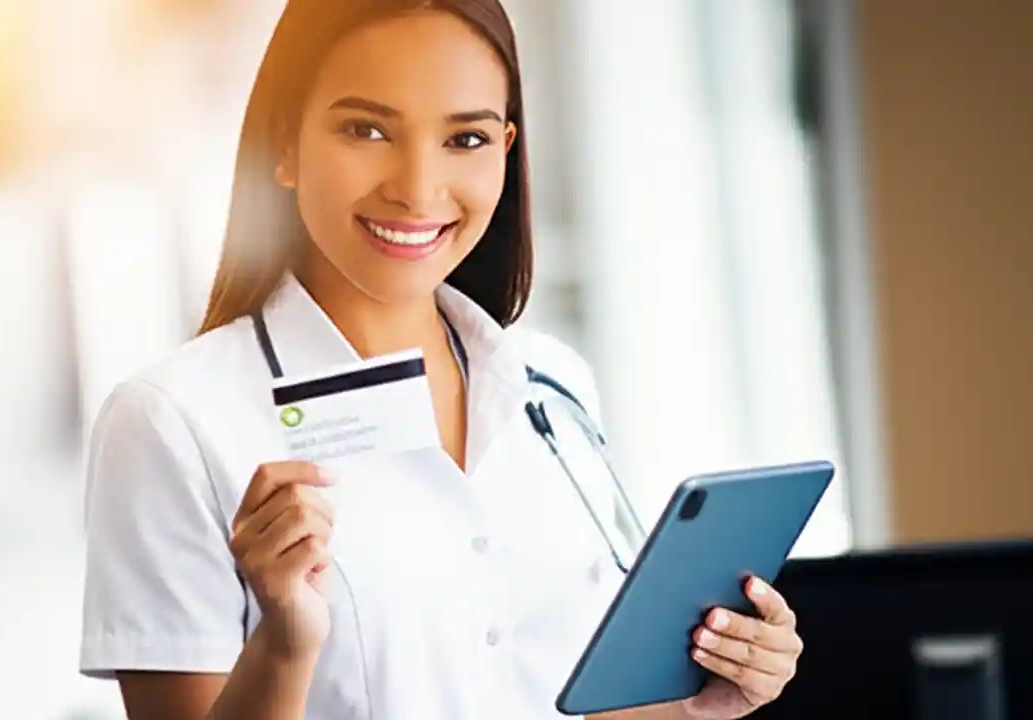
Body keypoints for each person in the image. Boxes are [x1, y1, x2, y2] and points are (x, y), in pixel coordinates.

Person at [79, 1, 804, 718]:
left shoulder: (551, 386)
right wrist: (285, 646)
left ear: (506, 149)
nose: (417, 188)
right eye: (366, 130)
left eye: (465, 140)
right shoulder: (171, 422)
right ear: (285, 142)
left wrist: (695, 704)